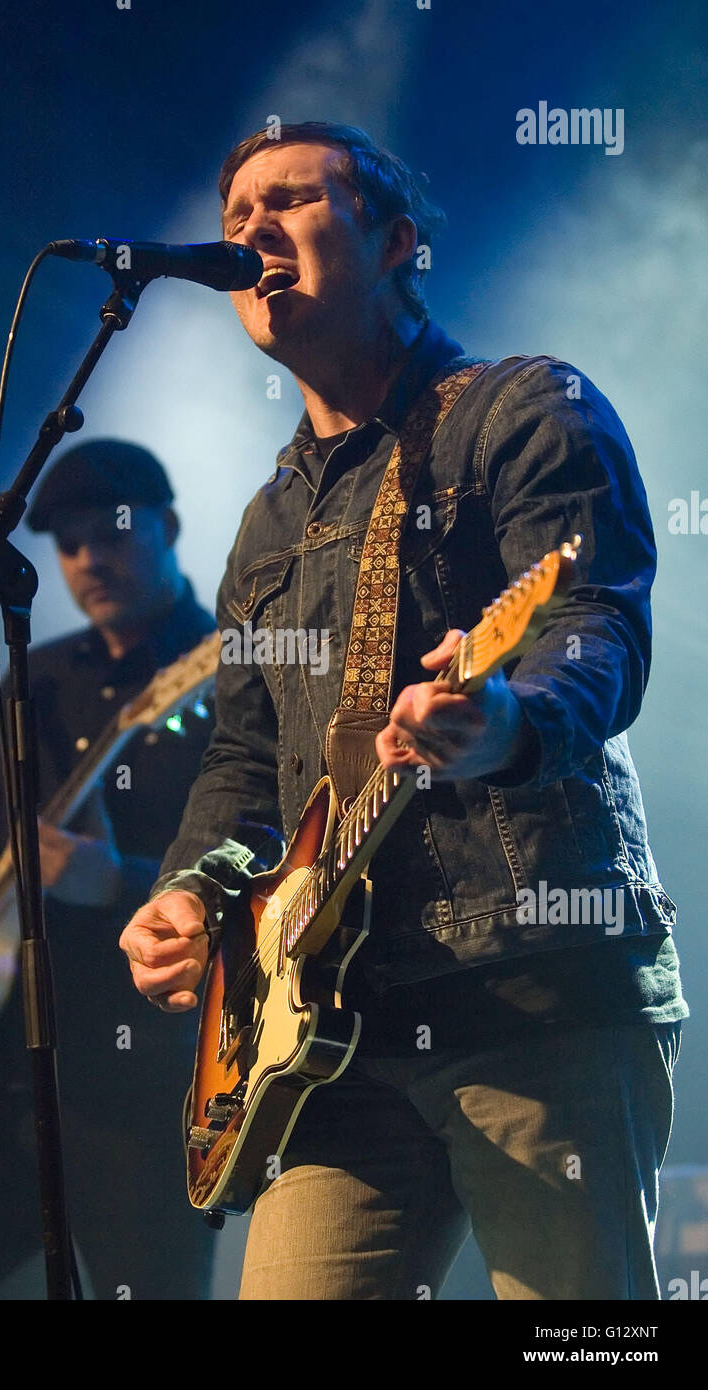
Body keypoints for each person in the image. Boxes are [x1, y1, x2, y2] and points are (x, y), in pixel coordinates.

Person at [120, 122, 688, 1301]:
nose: (250, 235)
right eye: (234, 219)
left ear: (393, 241)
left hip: (529, 982)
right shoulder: (266, 522)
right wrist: (188, 887)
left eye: (287, 202)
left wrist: (506, 722)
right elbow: (240, 758)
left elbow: (593, 624)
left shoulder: (522, 409)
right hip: (331, 1044)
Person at [0, 439, 218, 1299]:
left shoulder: (228, 668)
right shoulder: (33, 675)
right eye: (67, 545)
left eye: (108, 533)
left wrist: (121, 881)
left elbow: (265, 854)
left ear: (168, 526)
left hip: (144, 1087)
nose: (86, 560)